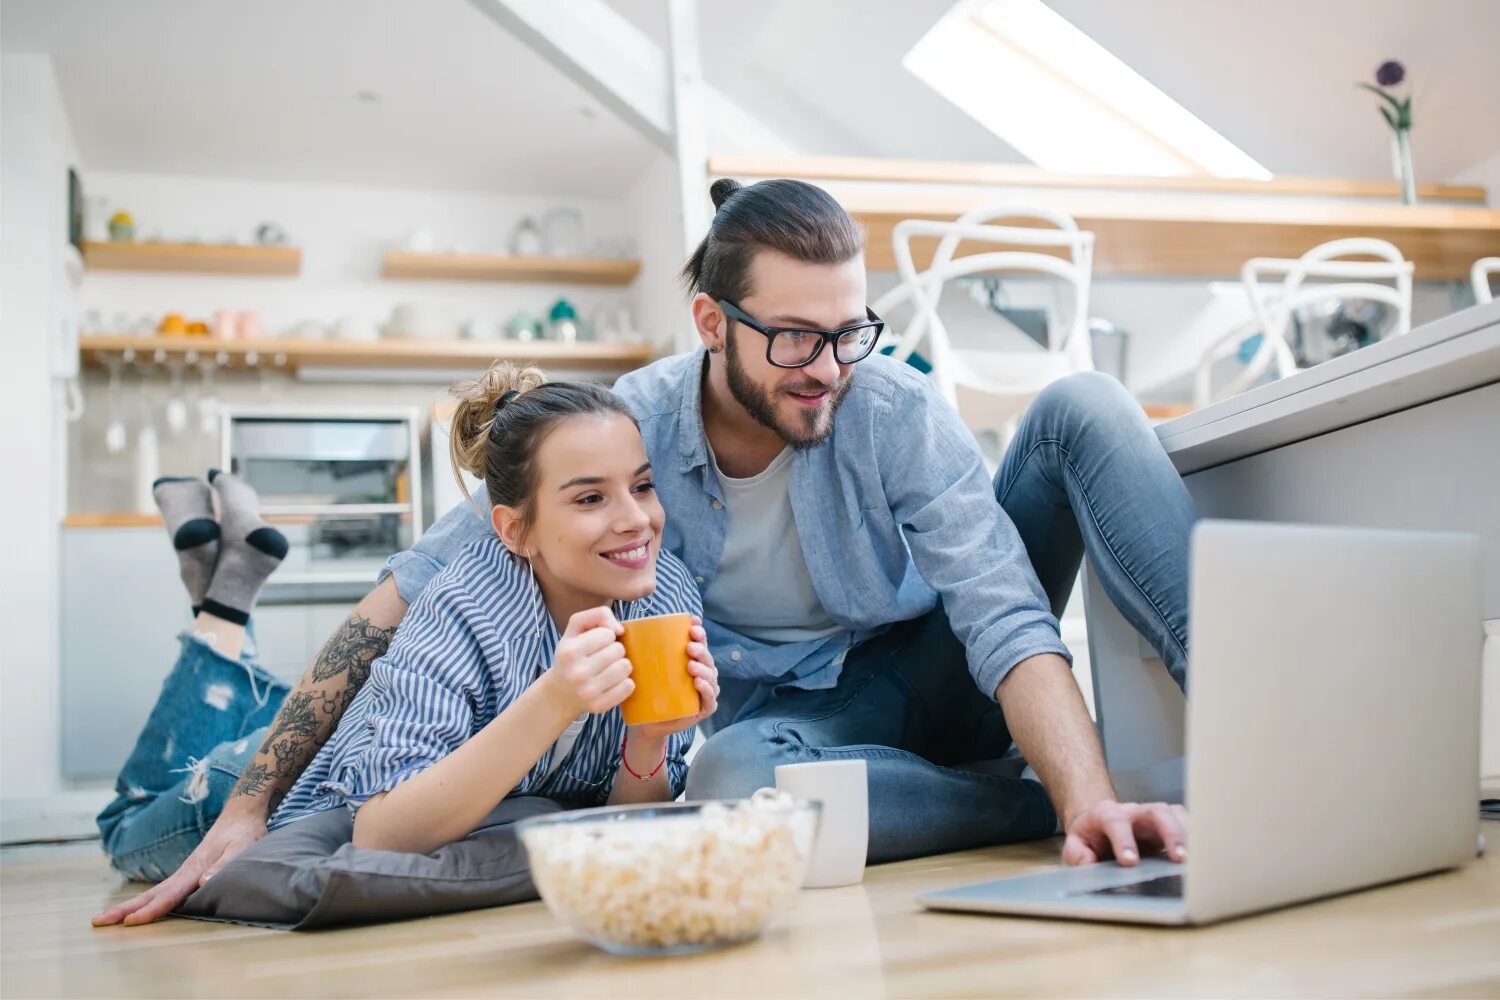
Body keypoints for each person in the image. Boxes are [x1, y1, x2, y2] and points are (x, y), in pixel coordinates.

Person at [103, 176, 1194, 926]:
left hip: (924, 666)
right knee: (726, 778)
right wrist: (249, 808)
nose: (830, 367)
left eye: (849, 331)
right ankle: (1031, 795)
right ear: (713, 324)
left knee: (1087, 405)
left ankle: (1227, 741)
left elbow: (1003, 611)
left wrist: (1092, 786)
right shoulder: (624, 434)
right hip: (788, 724)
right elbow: (400, 599)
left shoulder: (890, 410)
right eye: (796, 338)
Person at [94, 367, 717, 925]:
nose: (637, 518)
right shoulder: (467, 601)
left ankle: (221, 591)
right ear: (515, 529)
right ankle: (225, 608)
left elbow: (629, 812)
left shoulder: (666, 594)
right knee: (127, 822)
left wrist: (649, 740)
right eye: (589, 498)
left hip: (363, 723)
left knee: (272, 706)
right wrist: (554, 700)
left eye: (642, 486)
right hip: (283, 787)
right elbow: (381, 835)